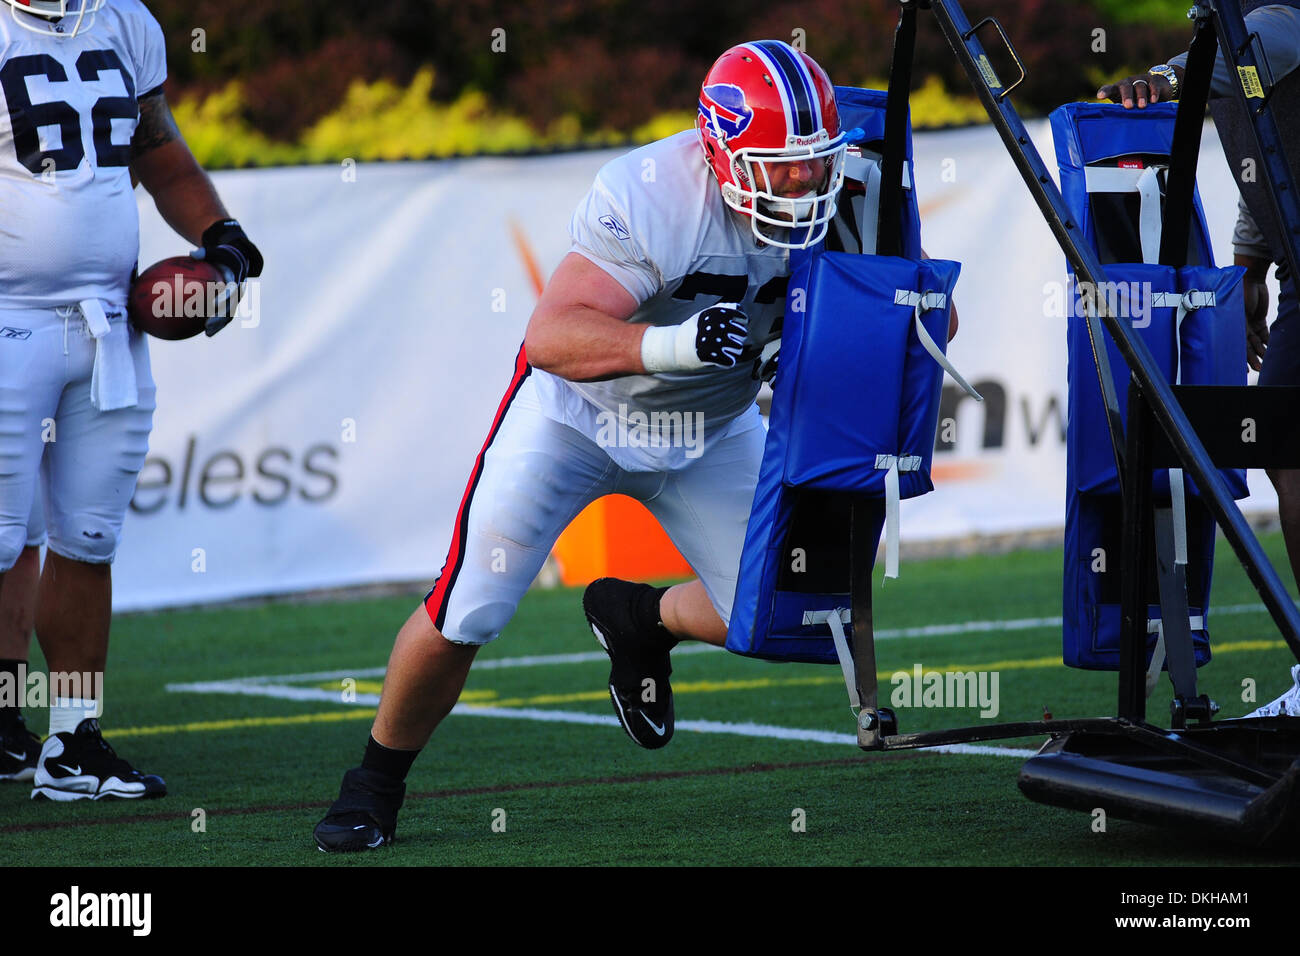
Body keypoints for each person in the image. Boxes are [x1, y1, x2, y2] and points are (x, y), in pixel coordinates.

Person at [314, 39, 959, 852]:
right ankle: (373, 784)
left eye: (813, 160)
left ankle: (641, 619)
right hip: (579, 416)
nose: (800, 182)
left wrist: (875, 310)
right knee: (468, 607)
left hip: (712, 428)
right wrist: (674, 345)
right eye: (777, 163)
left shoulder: (854, 190)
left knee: (807, 612)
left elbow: (932, 319)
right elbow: (551, 334)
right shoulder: (652, 192)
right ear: (719, 151)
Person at [0, 0, 263, 799]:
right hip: (6, 321)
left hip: (110, 323)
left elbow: (160, 152)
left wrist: (223, 242)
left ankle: (71, 739)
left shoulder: (125, 21)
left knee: (86, 538)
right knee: (4, 536)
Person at [1097, 1, 1300, 715]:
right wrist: (1248, 272)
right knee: (1284, 449)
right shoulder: (1231, 31)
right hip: (1294, 275)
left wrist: (1161, 79)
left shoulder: (1266, 26)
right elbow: (1265, 171)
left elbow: (1255, 48)